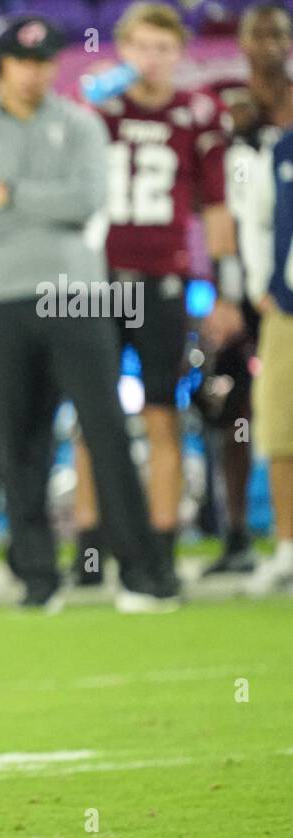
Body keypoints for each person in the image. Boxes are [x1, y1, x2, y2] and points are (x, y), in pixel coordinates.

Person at [0, 15, 177, 611]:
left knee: (105, 430)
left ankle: (142, 575)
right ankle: (37, 578)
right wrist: (45, 205)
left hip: (76, 294)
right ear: (0, 65)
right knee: (19, 439)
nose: (33, 72)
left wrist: (12, 193)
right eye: (22, 61)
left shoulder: (82, 124)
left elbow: (90, 200)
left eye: (44, 61)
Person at [72, 2, 240, 588]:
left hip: (163, 283)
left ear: (180, 53)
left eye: (163, 48)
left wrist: (225, 288)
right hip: (95, 281)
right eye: (141, 46)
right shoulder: (96, 111)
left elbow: (217, 210)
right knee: (92, 419)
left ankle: (163, 546)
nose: (152, 58)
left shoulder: (198, 114)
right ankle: (90, 552)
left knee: (162, 413)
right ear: (123, 48)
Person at [204, 3, 293, 574]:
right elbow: (224, 213)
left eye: (279, 32)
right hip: (247, 281)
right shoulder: (224, 109)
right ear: (240, 41)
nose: (269, 41)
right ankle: (236, 533)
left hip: (284, 278)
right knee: (232, 403)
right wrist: (229, 292)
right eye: (258, 32)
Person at [234, 126, 293, 595]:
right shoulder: (281, 148)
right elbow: (256, 219)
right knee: (279, 429)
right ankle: (288, 550)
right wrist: (260, 283)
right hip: (287, 309)